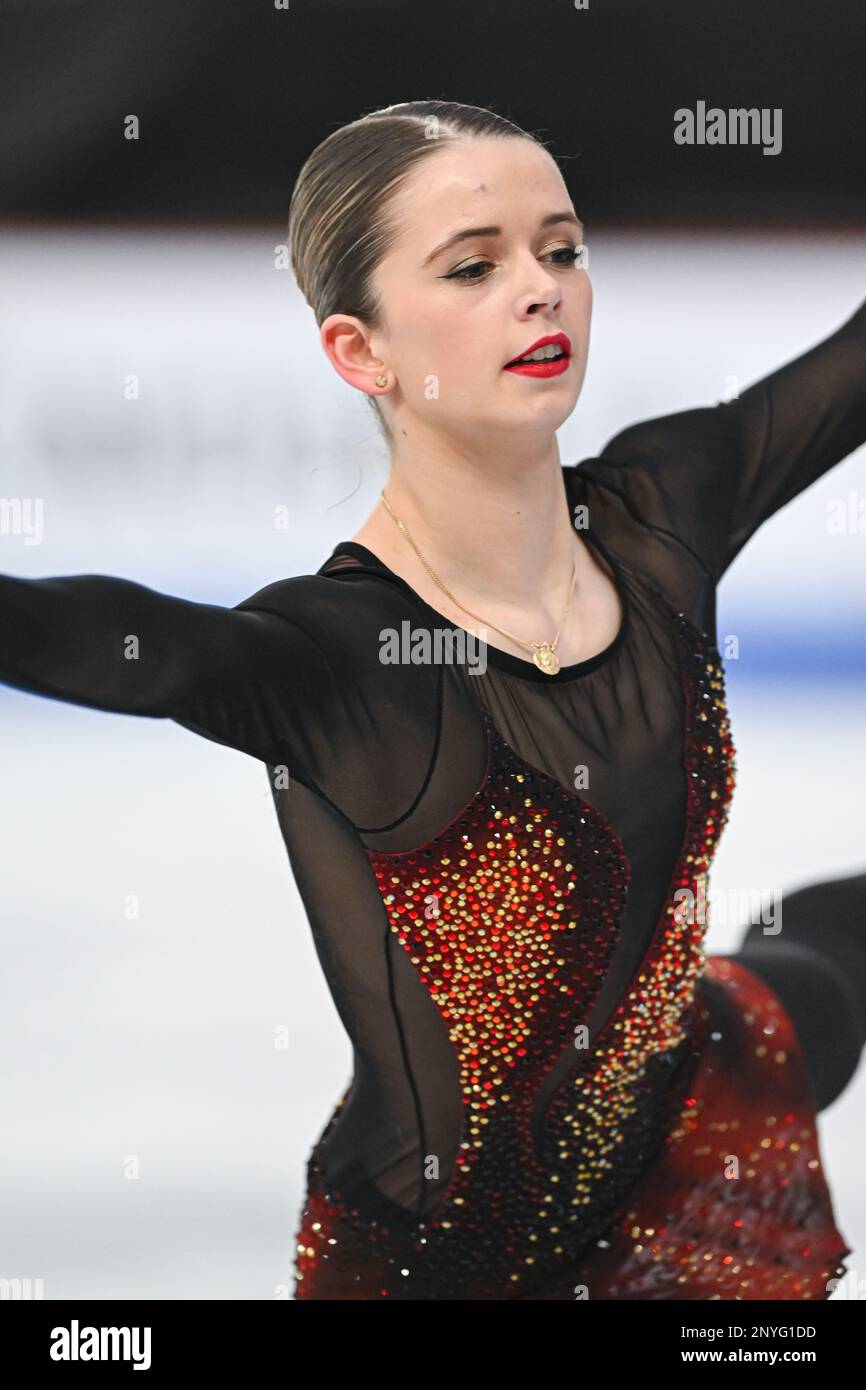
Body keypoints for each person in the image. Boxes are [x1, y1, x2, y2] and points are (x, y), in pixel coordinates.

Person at [1, 99, 864, 1301]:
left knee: (834, 943)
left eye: (559, 250)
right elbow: (128, 643)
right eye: (474, 265)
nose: (540, 289)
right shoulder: (339, 657)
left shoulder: (661, 511)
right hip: (443, 1264)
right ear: (361, 351)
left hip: (689, 1126)